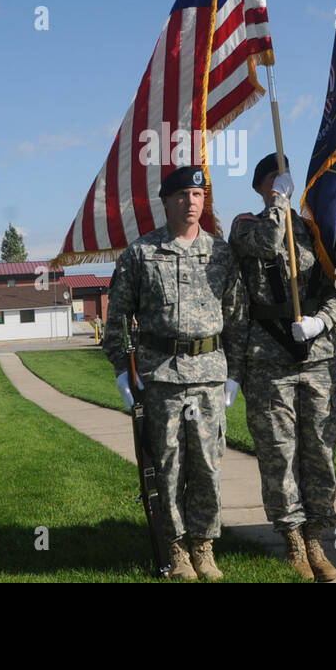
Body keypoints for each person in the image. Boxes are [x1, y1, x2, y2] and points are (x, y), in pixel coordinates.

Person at [104, 165, 244, 581]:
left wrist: (233, 374)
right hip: (160, 377)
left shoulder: (221, 253)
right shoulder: (141, 254)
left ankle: (204, 547)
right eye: (182, 195)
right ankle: (177, 550)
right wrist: (121, 372)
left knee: (207, 464)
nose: (191, 202)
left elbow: (237, 319)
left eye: (198, 196)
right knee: (167, 466)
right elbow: (117, 320)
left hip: (208, 377)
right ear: (166, 202)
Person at [228, 154, 336, 582]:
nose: (283, 185)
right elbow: (266, 245)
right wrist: (278, 203)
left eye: (286, 179)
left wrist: (322, 321)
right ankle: (292, 537)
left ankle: (316, 534)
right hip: (267, 360)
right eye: (274, 180)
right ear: (261, 187)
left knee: (321, 449)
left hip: (317, 357)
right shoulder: (247, 225)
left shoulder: (316, 230)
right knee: (279, 452)